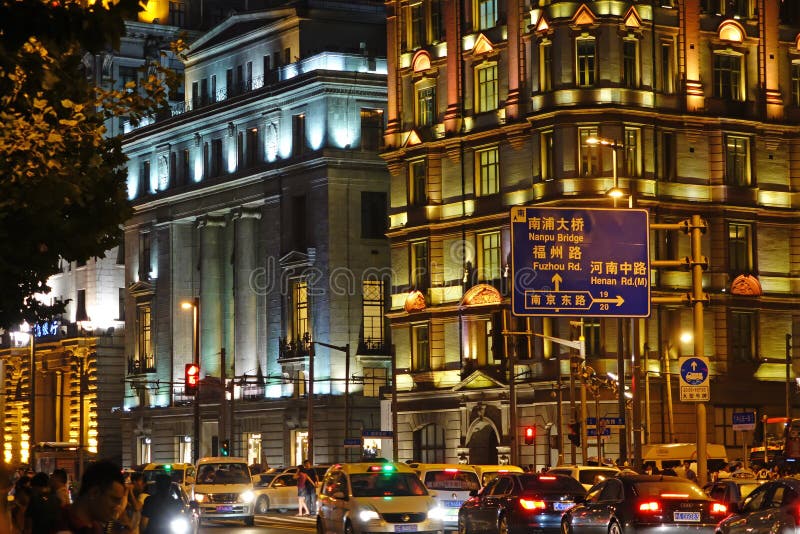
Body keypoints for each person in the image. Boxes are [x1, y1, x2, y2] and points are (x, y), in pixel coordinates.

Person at [53, 460, 127, 534]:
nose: (117, 507)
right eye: (114, 499)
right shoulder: (57, 523)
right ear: (94, 493)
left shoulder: (96, 528)